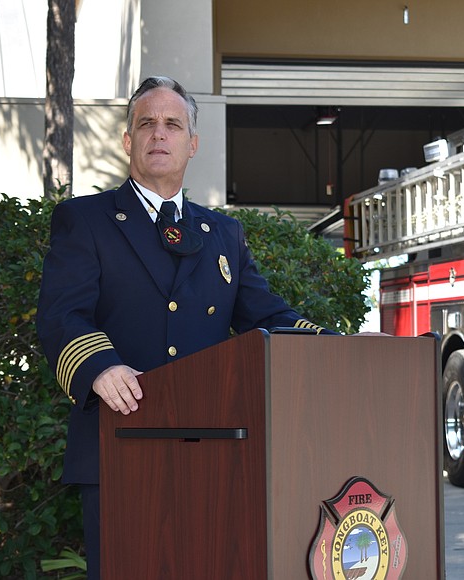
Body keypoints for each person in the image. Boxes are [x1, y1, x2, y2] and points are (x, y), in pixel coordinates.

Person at [35, 75, 335, 578]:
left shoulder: (222, 233)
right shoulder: (85, 220)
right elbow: (62, 314)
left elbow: (266, 315)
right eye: (146, 123)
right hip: (120, 440)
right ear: (128, 141)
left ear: (192, 144)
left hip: (212, 449)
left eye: (172, 124)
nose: (159, 134)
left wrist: (337, 346)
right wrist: (99, 367)